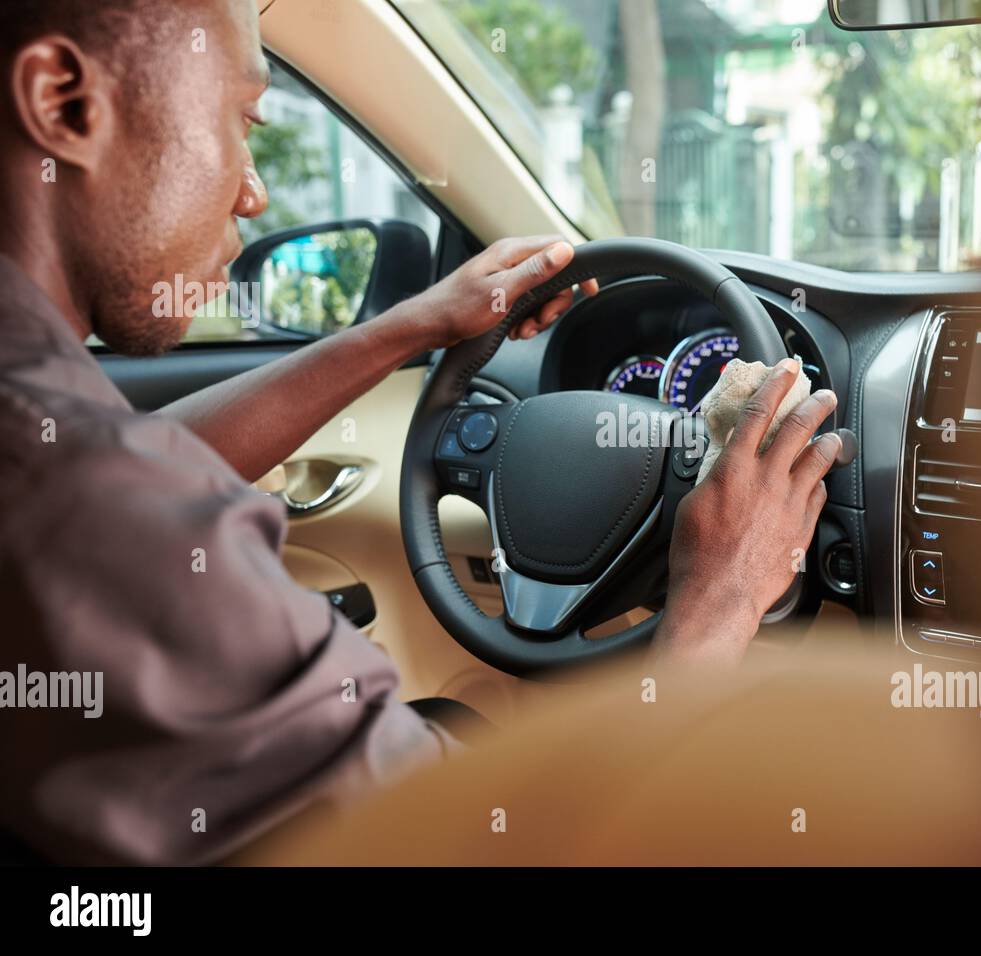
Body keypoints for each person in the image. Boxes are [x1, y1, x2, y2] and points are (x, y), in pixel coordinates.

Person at [0, 0, 842, 864]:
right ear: (63, 103)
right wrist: (722, 599)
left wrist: (409, 328)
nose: (253, 190)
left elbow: (131, 463)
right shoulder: (102, 522)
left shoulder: (57, 451)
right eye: (240, 117)